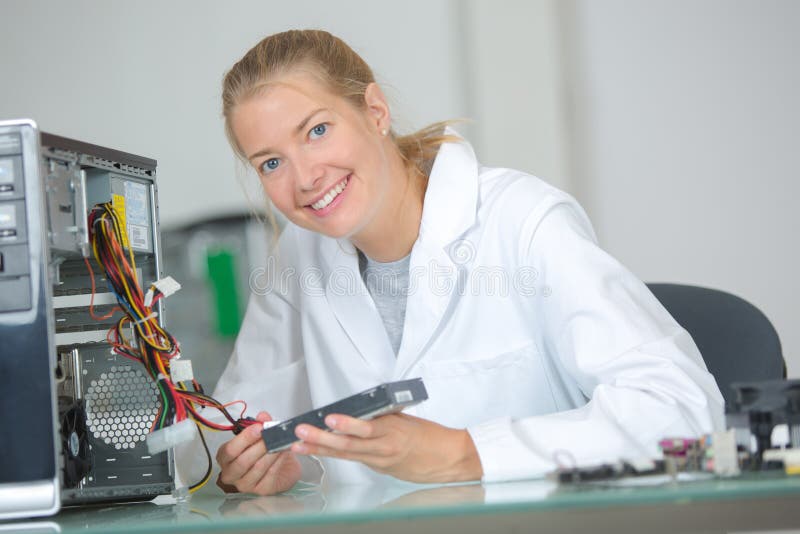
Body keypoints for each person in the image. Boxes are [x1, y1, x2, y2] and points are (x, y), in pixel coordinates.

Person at [177, 29, 724, 496]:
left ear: (375, 111)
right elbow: (220, 437)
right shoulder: (298, 257)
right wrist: (271, 470)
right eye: (271, 163)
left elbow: (683, 410)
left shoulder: (521, 219)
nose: (304, 178)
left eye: (317, 131)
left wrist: (467, 452)